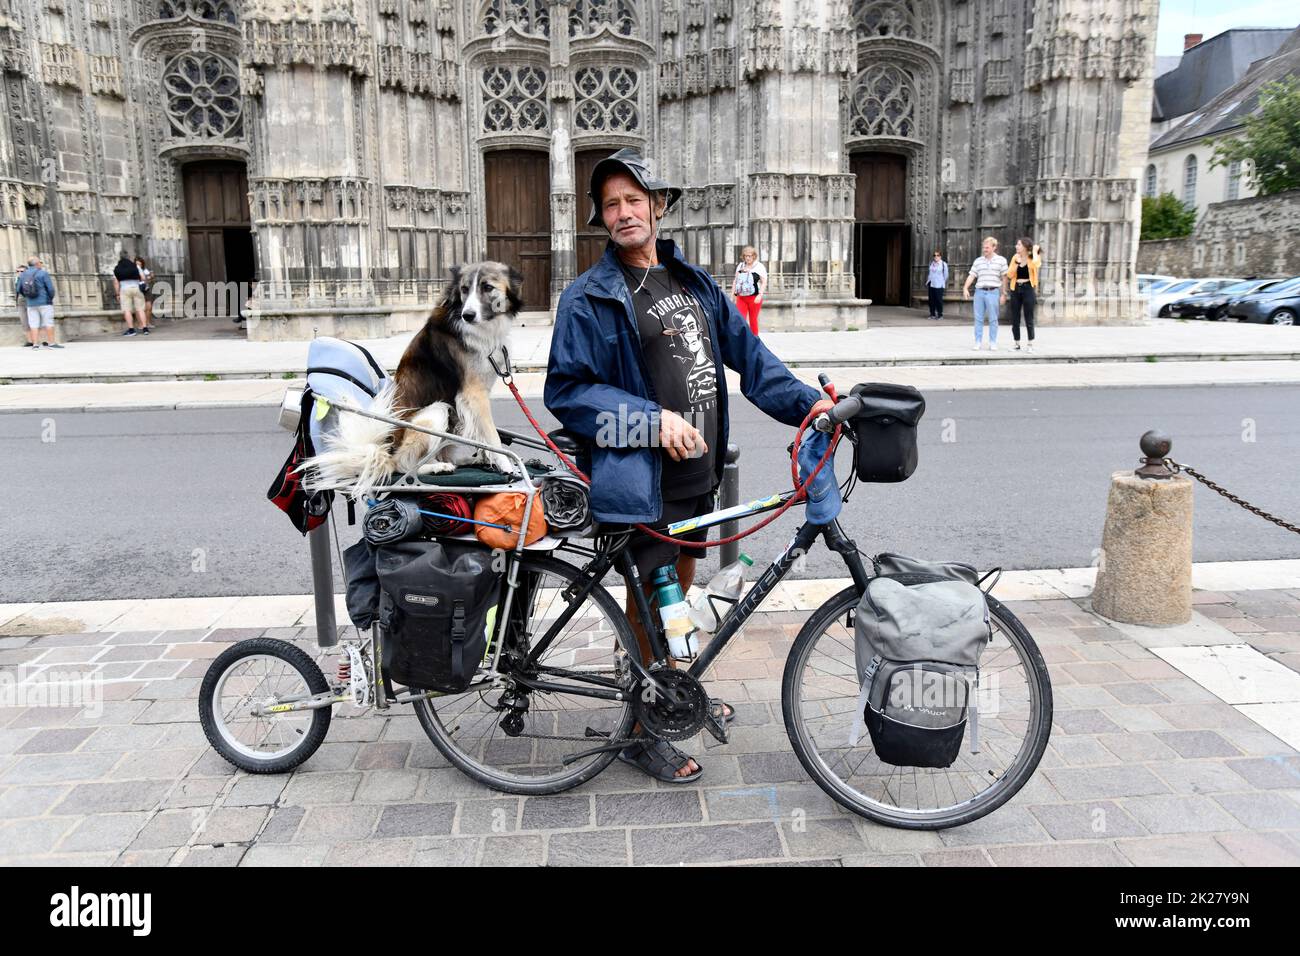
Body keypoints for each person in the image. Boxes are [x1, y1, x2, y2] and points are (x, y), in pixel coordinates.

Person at [545, 147, 829, 783]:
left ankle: (668, 686)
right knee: (651, 599)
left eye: (633, 200)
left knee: (679, 592)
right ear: (602, 217)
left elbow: (750, 360)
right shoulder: (588, 297)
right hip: (641, 480)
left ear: (658, 206)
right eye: (611, 204)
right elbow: (567, 390)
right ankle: (647, 728)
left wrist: (810, 406)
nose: (622, 214)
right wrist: (651, 420)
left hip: (698, 476)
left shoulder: (694, 284)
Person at [962, 236, 1007, 351]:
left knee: (993, 318)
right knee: (978, 318)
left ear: (994, 247)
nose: (984, 249)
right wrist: (965, 288)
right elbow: (972, 275)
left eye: (987, 247)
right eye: (984, 247)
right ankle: (978, 341)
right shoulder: (978, 261)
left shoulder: (1001, 260)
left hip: (993, 292)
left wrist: (1003, 294)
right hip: (980, 292)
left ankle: (993, 342)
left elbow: (1004, 278)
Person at [16, 256, 62, 349]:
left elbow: (19, 289)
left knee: (33, 323)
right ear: (37, 264)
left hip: (30, 303)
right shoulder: (43, 273)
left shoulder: (23, 274)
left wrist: (27, 297)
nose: (41, 264)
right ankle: (52, 343)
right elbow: (50, 289)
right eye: (40, 262)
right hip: (44, 301)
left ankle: (35, 344)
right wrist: (50, 298)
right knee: (48, 322)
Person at [1006, 238, 1041, 352]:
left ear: (1025, 246)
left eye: (1019, 244)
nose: (1016, 246)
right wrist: (1017, 262)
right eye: (1017, 244)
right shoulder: (1015, 257)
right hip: (1015, 288)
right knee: (1015, 317)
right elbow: (1010, 274)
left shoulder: (1032, 258)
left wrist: (1035, 252)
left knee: (1028, 317)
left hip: (1028, 288)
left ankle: (1030, 344)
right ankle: (1017, 344)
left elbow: (1036, 265)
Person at [732, 245, 767, 335]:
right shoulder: (740, 266)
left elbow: (764, 282)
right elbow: (736, 280)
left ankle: (754, 341)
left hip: (754, 298)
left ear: (754, 256)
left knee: (753, 320)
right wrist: (733, 294)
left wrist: (760, 295)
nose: (747, 258)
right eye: (745, 256)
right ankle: (743, 340)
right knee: (740, 319)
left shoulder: (759, 266)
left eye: (749, 256)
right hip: (741, 298)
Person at [113, 252, 150, 335]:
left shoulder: (117, 268)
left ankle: (131, 330)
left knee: (127, 310)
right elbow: (143, 278)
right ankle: (145, 328)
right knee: (140, 309)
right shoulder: (135, 266)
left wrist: (117, 294)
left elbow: (116, 282)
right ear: (129, 257)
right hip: (136, 288)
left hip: (124, 289)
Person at [926, 250, 949, 320]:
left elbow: (946, 275)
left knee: (938, 300)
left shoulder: (943, 264)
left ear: (940, 256)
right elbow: (930, 273)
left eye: (937, 255)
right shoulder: (931, 263)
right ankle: (932, 314)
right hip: (931, 283)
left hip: (939, 285)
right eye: (934, 255)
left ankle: (940, 315)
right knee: (931, 300)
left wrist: (942, 282)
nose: (936, 257)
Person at [134, 256, 155, 327]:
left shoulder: (145, 270)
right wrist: (147, 278)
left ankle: (147, 323)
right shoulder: (133, 270)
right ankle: (141, 324)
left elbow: (150, 279)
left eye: (140, 264)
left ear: (142, 264)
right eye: (137, 264)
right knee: (139, 308)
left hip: (146, 290)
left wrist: (151, 277)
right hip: (137, 290)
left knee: (149, 307)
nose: (138, 266)